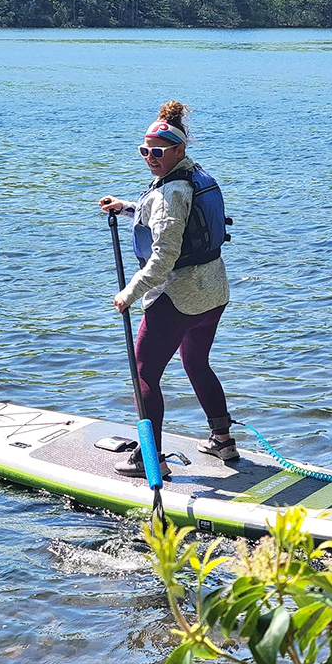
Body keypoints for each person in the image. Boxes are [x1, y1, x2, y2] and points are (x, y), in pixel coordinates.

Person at [98, 100, 236, 478]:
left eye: (158, 151)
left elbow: (163, 260)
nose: (150, 158)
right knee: (195, 362)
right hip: (213, 293)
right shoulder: (195, 176)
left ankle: (149, 458)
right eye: (144, 150)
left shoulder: (170, 193)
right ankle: (222, 439)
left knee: (145, 374)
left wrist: (129, 293)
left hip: (178, 299)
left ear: (179, 149)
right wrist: (126, 207)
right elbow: (176, 221)